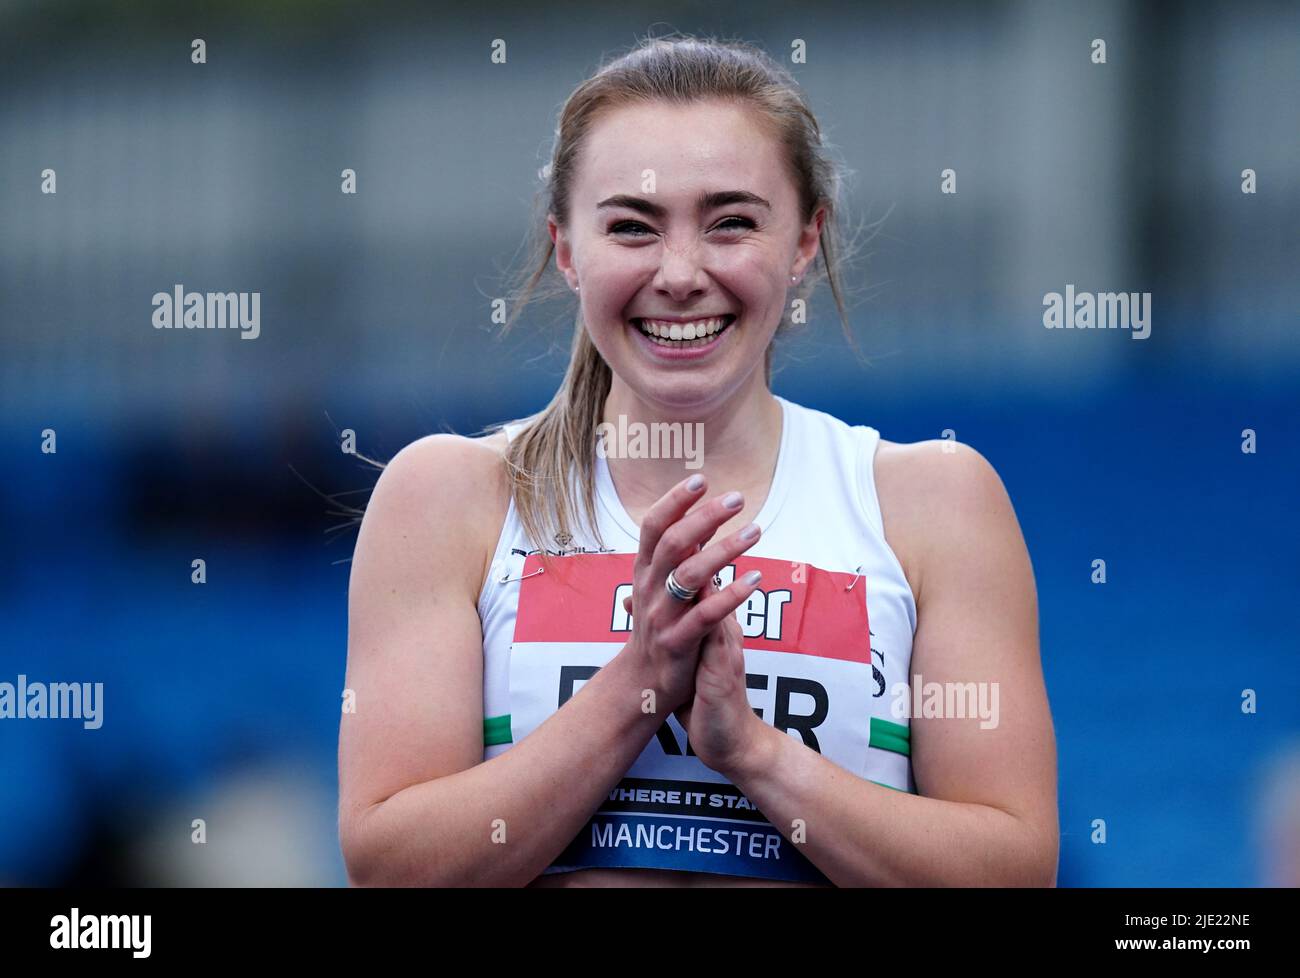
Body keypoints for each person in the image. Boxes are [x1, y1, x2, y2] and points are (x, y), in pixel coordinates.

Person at [337, 34, 1058, 887]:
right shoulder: (451, 496)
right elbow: (392, 870)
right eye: (632, 228)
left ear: (804, 242)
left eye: (731, 223)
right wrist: (639, 681)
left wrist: (752, 752)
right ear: (568, 250)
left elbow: (1012, 872)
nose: (680, 274)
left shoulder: (933, 502)